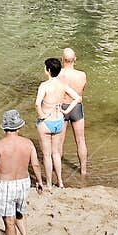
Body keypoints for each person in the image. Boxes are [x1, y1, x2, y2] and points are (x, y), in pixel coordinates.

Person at [35, 57, 82, 190]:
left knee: (47, 155)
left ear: (48, 70)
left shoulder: (44, 86)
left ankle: (49, 183)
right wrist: (66, 109)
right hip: (59, 121)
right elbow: (77, 98)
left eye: (45, 68)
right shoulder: (62, 84)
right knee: (56, 153)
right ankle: (60, 182)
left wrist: (42, 116)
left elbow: (37, 104)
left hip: (47, 122)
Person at [59, 47, 88, 178]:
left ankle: (57, 171)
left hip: (62, 107)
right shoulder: (82, 75)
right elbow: (82, 91)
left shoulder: (58, 74)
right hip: (76, 107)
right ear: (75, 59)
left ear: (62, 60)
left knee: (59, 141)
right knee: (81, 140)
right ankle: (83, 171)